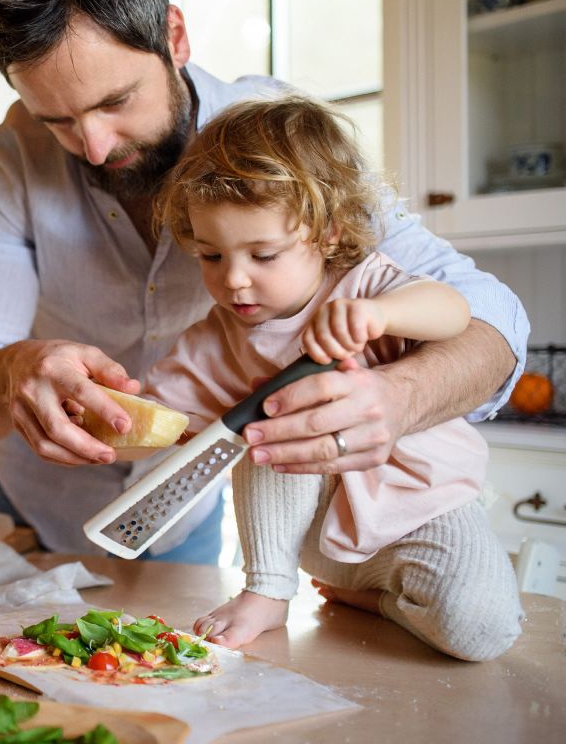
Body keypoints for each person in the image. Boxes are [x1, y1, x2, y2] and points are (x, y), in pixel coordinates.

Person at [0, 0, 528, 561]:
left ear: (175, 37)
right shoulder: (11, 161)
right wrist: (12, 372)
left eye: (115, 102)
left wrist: (401, 398)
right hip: (32, 498)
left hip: (183, 511)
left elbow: (490, 314)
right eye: (56, 120)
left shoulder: (281, 144)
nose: (96, 146)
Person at [142, 96, 522, 660]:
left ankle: (380, 601)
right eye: (211, 255)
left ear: (326, 233)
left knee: (481, 632)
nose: (234, 280)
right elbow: (155, 413)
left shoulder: (370, 285)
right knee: (270, 416)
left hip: (422, 514)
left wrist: (382, 316)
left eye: (263, 255)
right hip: (311, 539)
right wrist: (100, 413)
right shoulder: (213, 338)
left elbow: (456, 312)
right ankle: (268, 592)